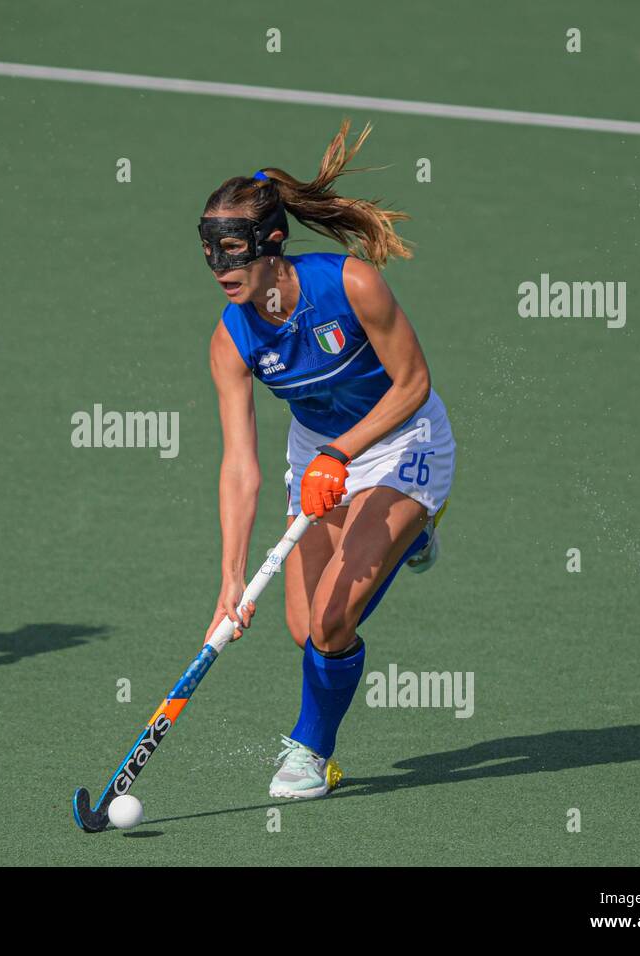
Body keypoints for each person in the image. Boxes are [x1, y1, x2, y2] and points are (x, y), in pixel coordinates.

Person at [200, 120, 455, 798]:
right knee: (302, 626)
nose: (224, 271)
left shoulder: (351, 285)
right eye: (212, 257)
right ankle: (407, 538)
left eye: (236, 254)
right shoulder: (231, 342)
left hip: (402, 444)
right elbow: (239, 467)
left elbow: (413, 385)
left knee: (331, 620)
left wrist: (342, 453)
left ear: (273, 244)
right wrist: (230, 576)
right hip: (316, 456)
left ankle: (312, 752)